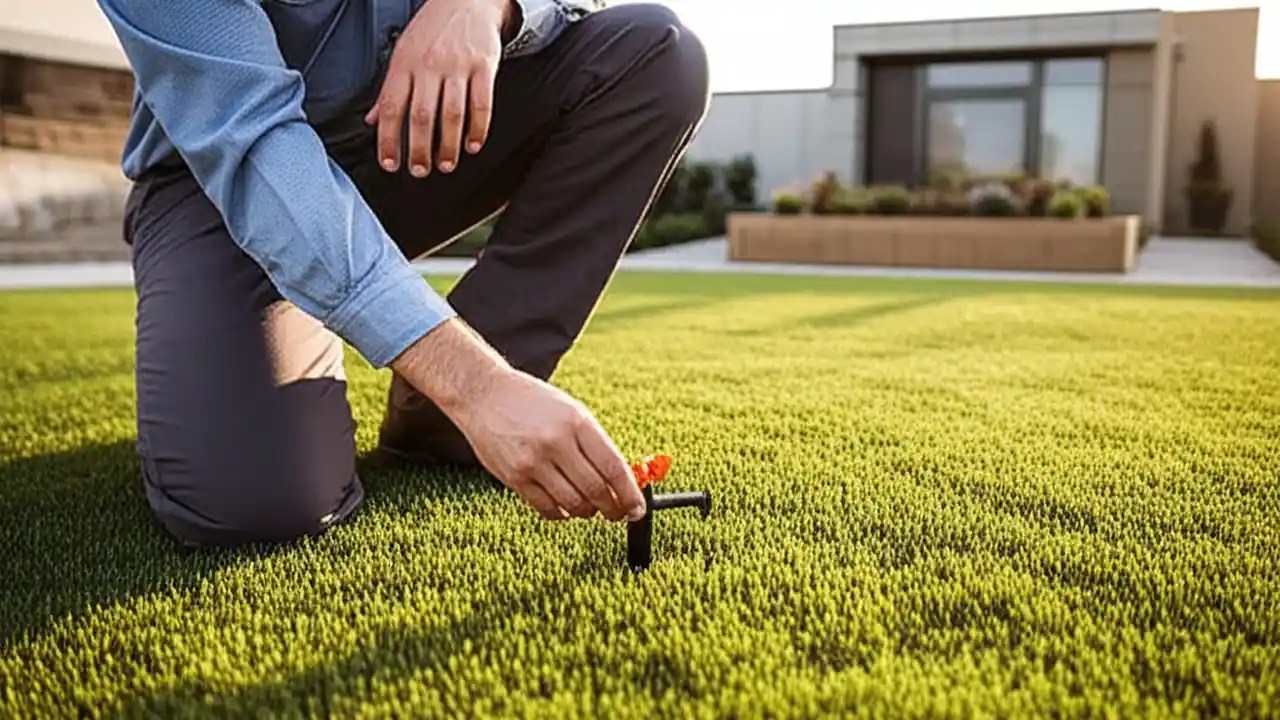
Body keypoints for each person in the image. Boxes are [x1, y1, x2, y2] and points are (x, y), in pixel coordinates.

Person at [96, 0, 710, 547]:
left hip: (408, 137)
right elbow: (252, 143)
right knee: (257, 503)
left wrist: (484, 5)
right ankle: (463, 396)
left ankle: (439, 423)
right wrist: (475, 384)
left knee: (660, 55)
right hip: (220, 187)